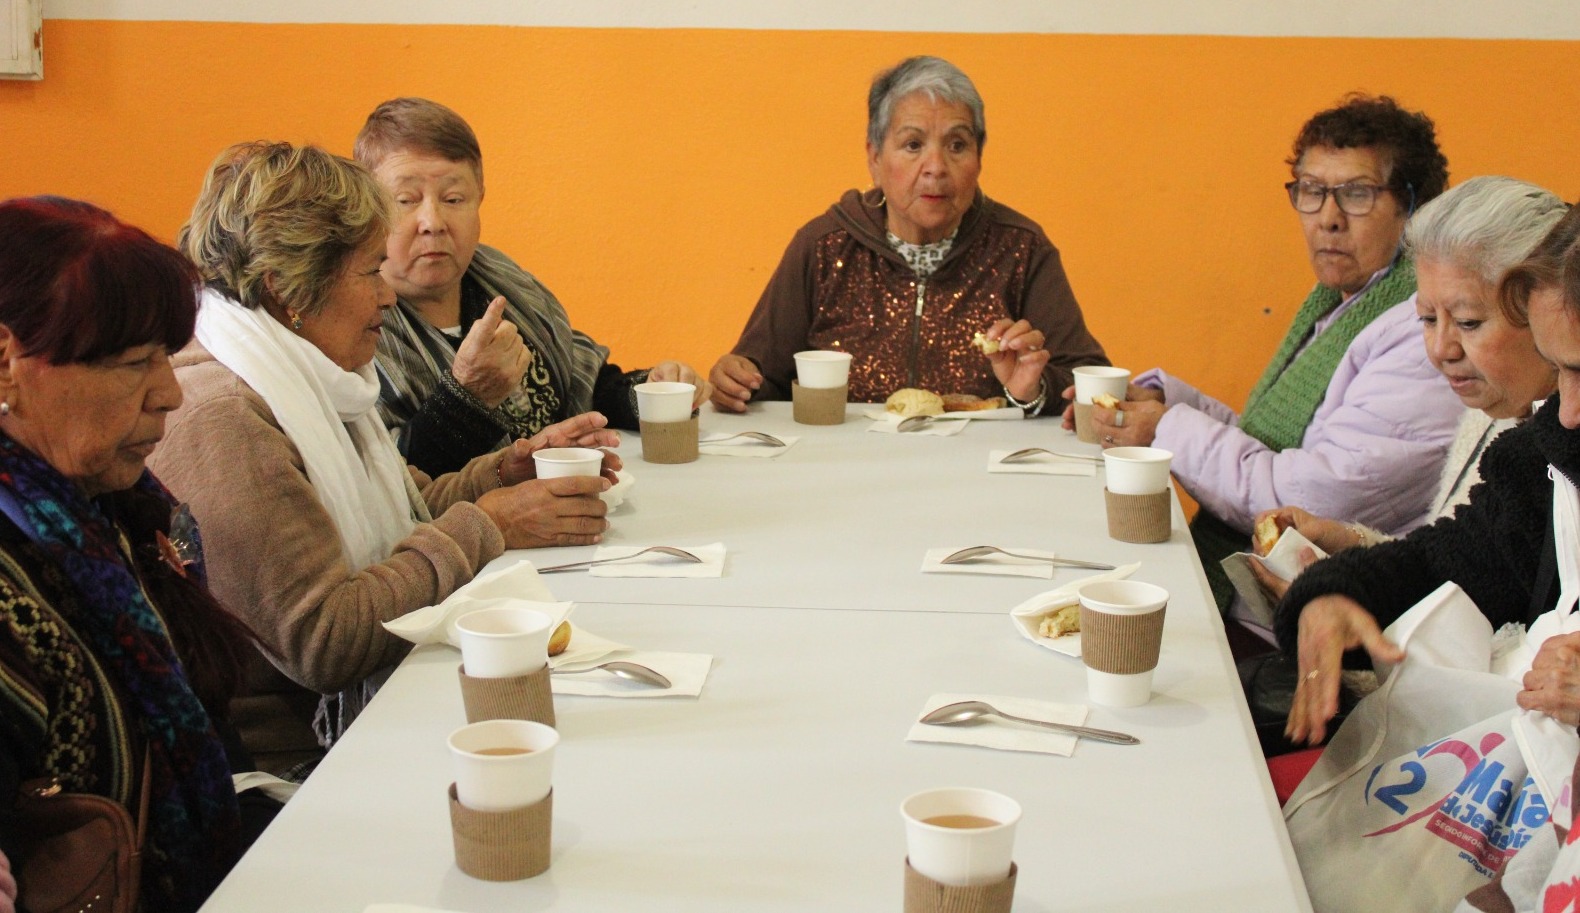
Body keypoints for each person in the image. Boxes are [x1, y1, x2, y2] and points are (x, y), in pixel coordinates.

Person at [152, 142, 619, 773]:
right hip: (304, 761)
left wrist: (506, 471)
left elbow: (407, 504)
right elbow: (322, 642)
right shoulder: (227, 416)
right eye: (370, 271)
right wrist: (491, 523)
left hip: (383, 707)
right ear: (288, 289)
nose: (388, 296)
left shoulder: (305, 373)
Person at [1079, 94, 1463, 619]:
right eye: (1312, 191)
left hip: (1310, 621)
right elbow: (1265, 444)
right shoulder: (1341, 304)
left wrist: (1165, 428)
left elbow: (1302, 501)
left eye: (1357, 194)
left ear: (1414, 208)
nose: (1328, 219)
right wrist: (1165, 402)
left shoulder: (1422, 329)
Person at [1236, 176, 1567, 771]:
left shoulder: (1540, 429)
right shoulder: (1512, 434)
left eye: (1469, 323)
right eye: (1426, 318)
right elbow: (1461, 560)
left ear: (1542, 309)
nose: (1440, 349)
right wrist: (1336, 586)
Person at [0, 196, 260, 912]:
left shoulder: (122, 513)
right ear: (6, 363)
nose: (169, 393)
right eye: (131, 363)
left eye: (166, 357)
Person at [709, 55, 1108, 413]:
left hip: (977, 465)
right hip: (844, 463)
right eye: (913, 145)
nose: (936, 167)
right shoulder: (824, 247)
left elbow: (1089, 382)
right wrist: (734, 381)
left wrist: (1033, 390)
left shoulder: (1020, 247)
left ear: (979, 158)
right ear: (875, 158)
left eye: (957, 145)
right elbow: (759, 378)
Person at [353, 97, 711, 477]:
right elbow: (383, 475)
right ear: (370, 208)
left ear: (479, 199)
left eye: (454, 199)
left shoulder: (500, 277)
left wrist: (650, 391)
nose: (433, 222)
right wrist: (467, 398)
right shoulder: (355, 322)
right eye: (406, 200)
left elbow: (580, 383)